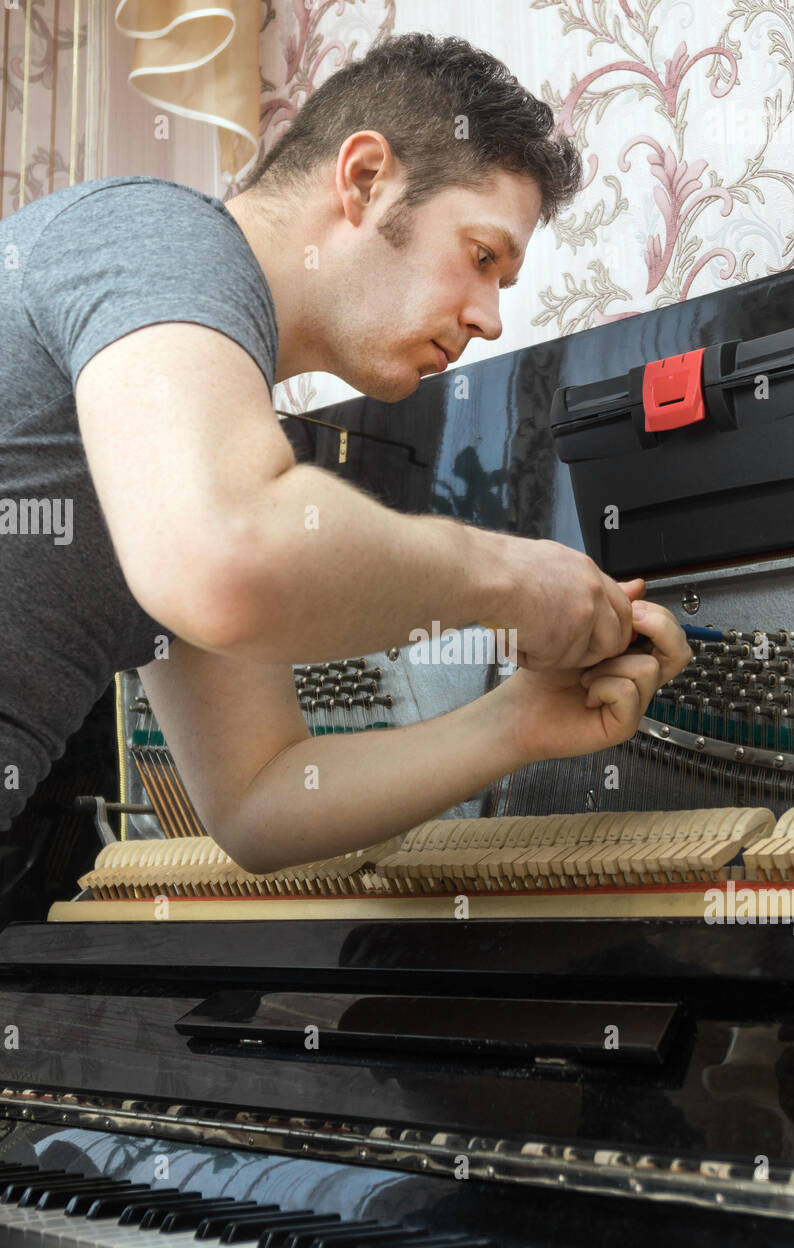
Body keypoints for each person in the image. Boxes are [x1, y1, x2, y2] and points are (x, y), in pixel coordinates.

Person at [0, 33, 690, 873]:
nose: (489, 318)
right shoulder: (160, 236)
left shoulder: (206, 436)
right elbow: (229, 557)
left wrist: (516, 720)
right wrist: (511, 580)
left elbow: (261, 800)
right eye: (481, 257)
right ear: (365, 179)